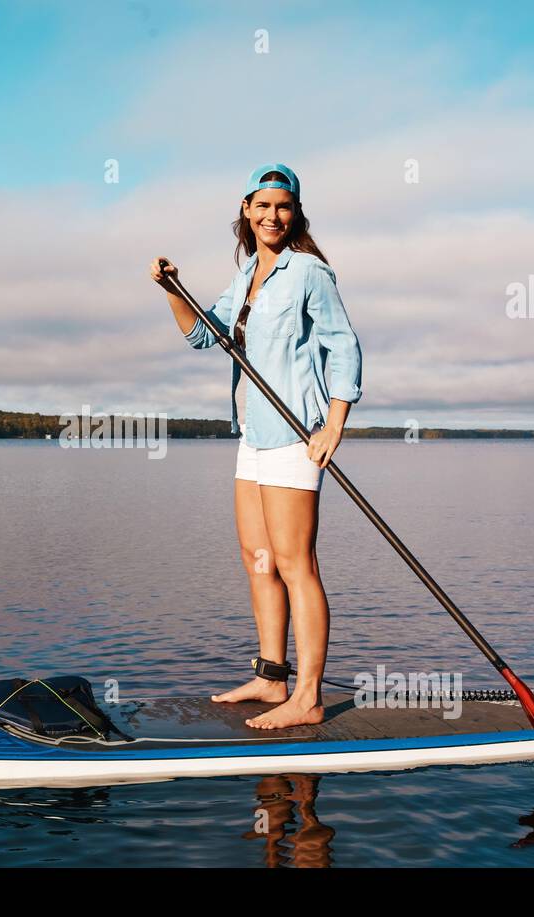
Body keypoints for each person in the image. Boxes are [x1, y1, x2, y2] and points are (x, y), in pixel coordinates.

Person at [151, 163, 363, 730]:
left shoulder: (310, 273)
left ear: (295, 214)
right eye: (262, 206)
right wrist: (173, 289)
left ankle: (308, 696)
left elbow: (345, 347)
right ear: (246, 210)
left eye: (283, 206)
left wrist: (334, 425)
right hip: (254, 438)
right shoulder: (245, 273)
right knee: (259, 560)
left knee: (298, 566)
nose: (272, 216)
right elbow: (202, 334)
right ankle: (272, 678)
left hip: (298, 437)